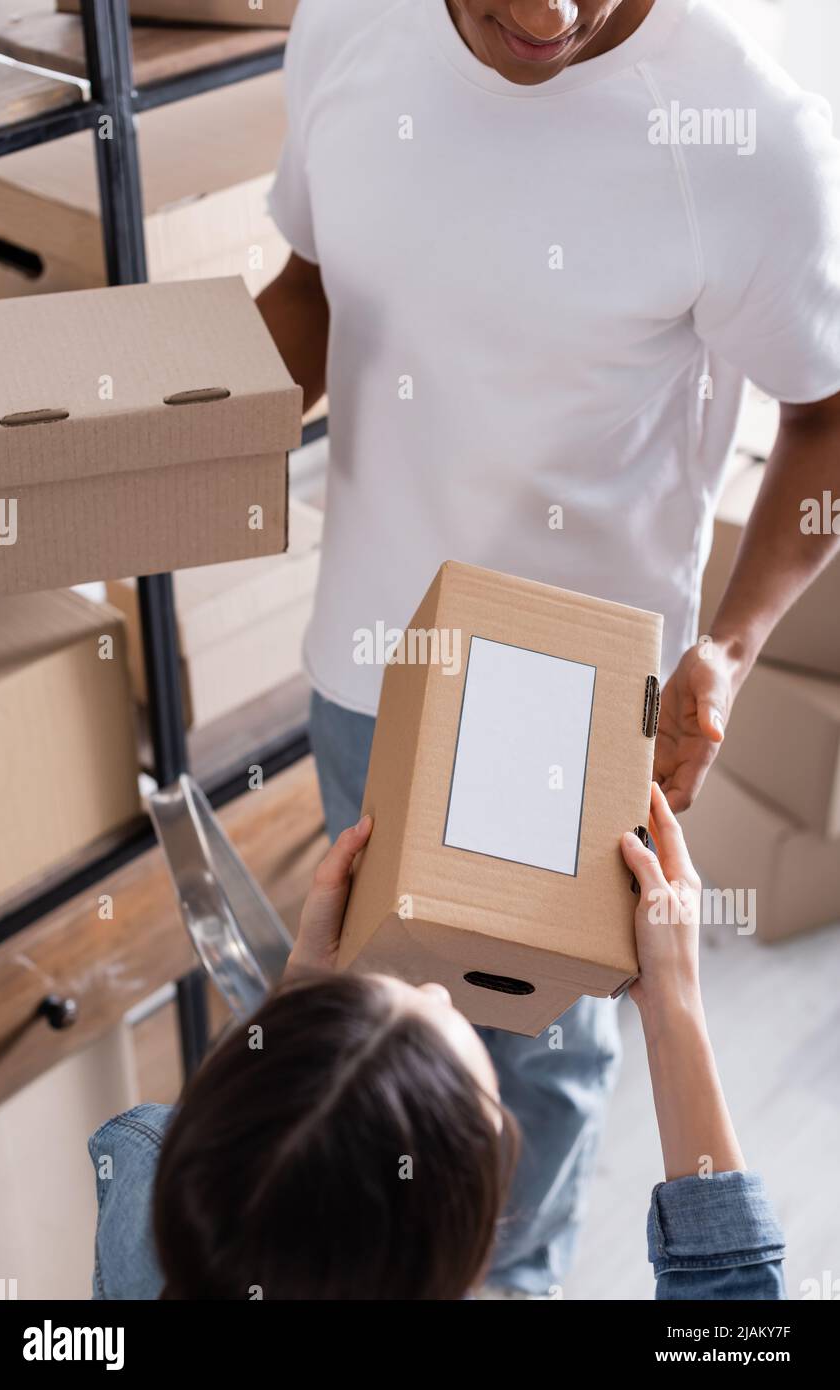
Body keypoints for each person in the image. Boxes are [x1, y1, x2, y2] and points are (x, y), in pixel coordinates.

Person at [256, 0, 840, 1294]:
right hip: (365, 672)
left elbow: (826, 418)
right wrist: (173, 449)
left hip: (562, 724)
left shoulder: (740, 132)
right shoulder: (344, 30)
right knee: (364, 1075)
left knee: (526, 1101)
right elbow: (310, 287)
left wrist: (727, 650)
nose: (547, 15)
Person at [89, 785, 786, 1300]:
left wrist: (305, 995)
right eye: (486, 1100)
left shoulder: (146, 1190)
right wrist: (674, 1005)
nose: (440, 991)